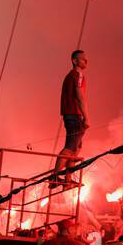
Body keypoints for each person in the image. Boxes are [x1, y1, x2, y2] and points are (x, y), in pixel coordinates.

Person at [53, 50, 89, 190]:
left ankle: (67, 179)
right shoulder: (77, 75)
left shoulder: (69, 77)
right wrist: (86, 117)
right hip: (75, 115)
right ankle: (55, 177)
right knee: (70, 148)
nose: (86, 61)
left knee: (76, 148)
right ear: (75, 61)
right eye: (83, 59)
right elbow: (80, 97)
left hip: (70, 115)